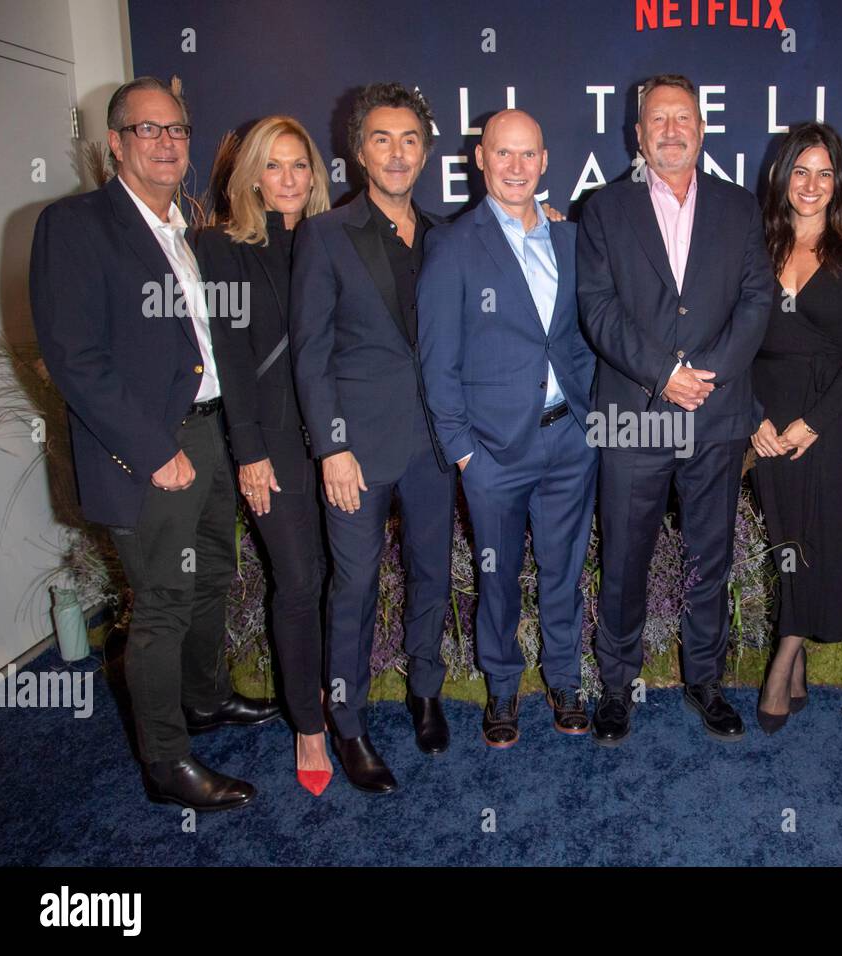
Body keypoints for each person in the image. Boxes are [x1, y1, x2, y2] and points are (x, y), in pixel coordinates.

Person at [29, 76, 279, 812]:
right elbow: (74, 357)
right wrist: (149, 449)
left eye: (177, 130)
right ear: (115, 144)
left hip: (208, 438)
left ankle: (203, 700)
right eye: (149, 130)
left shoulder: (187, 229)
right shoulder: (73, 226)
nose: (167, 143)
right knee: (164, 603)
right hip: (149, 453)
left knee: (209, 581)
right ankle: (166, 764)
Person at [577, 74, 773, 745]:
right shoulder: (603, 210)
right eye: (657, 119)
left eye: (682, 117)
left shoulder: (741, 209)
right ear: (638, 134)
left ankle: (705, 680)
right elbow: (598, 311)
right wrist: (665, 373)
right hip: (634, 412)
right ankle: (616, 683)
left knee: (708, 557)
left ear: (701, 127)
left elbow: (757, 302)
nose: (670, 129)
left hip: (715, 414)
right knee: (626, 556)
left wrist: (704, 377)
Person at [289, 82, 454, 793]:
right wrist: (330, 447)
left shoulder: (447, 234)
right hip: (355, 449)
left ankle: (425, 692)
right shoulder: (326, 235)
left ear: (425, 151)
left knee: (431, 573)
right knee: (353, 586)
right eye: (382, 139)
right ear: (358, 152)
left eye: (410, 139)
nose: (397, 152)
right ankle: (347, 723)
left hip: (434, 447)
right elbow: (310, 352)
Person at [418, 109, 597, 748]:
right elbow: (437, 361)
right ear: (480, 160)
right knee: (496, 575)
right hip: (492, 452)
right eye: (503, 154)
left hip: (570, 441)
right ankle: (500, 688)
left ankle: (565, 679)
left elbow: (583, 339)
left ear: (545, 162)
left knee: (563, 569)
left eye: (528, 155)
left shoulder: (573, 240)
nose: (516, 167)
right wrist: (465, 453)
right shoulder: (453, 244)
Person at [195, 115, 334, 796]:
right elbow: (231, 358)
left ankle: (337, 695)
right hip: (272, 447)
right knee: (299, 579)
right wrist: (249, 453)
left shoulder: (327, 238)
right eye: (274, 166)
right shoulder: (222, 249)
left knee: (340, 574)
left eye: (299, 165)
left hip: (336, 441)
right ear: (251, 174)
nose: (288, 178)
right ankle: (308, 723)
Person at [749, 122, 842, 733]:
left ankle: (784, 656)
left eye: (824, 173)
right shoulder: (754, 245)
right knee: (786, 539)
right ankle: (795, 654)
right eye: (800, 171)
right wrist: (753, 416)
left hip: (829, 417)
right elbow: (732, 340)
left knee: (819, 538)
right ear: (782, 177)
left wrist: (816, 423)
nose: (811, 184)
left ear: (839, 183)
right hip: (766, 412)